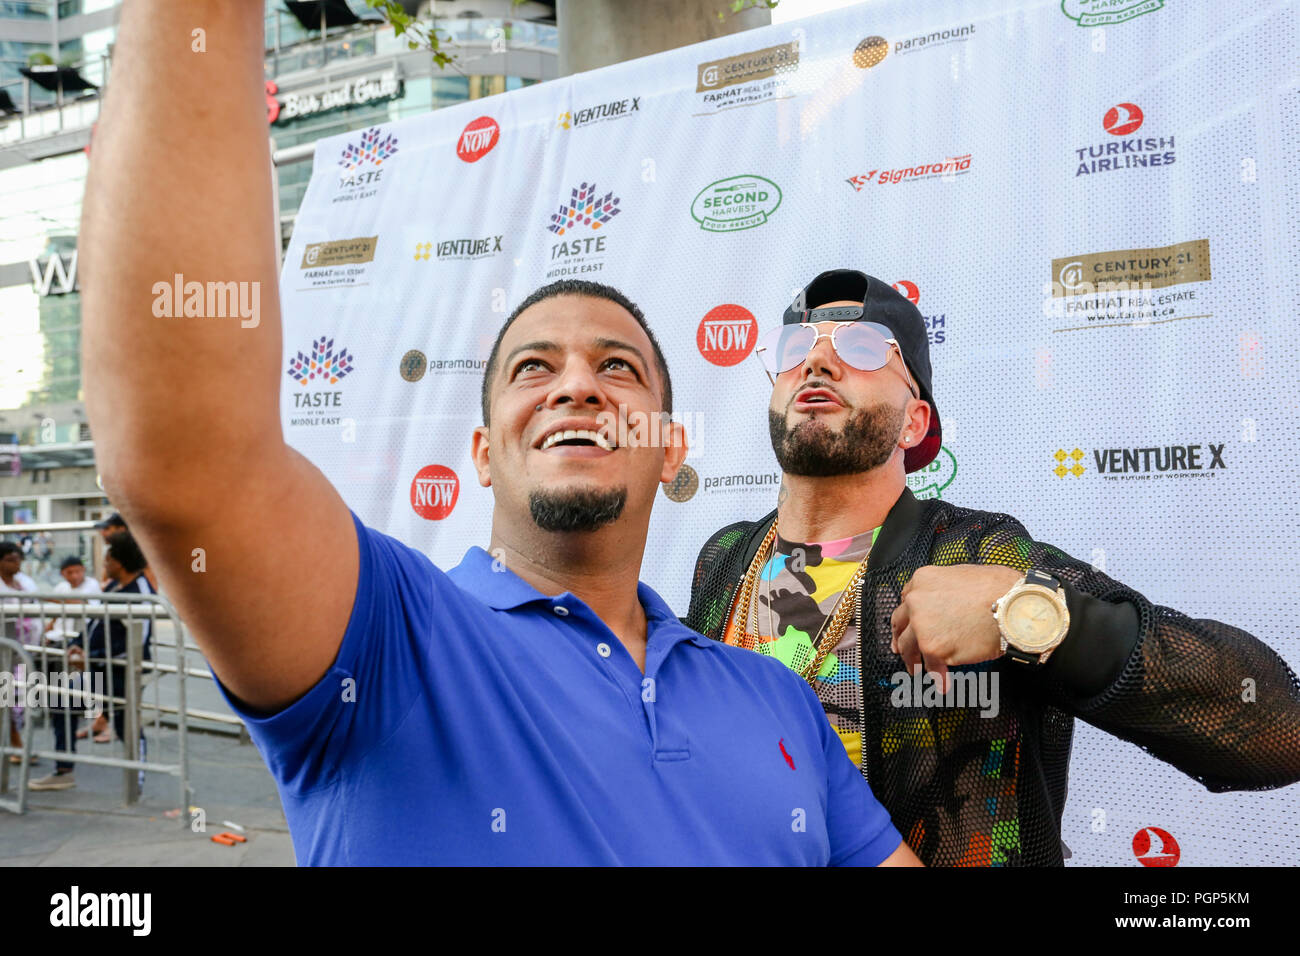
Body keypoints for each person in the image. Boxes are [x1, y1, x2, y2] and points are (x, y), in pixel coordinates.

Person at [75, 2, 920, 866]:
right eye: (532, 369)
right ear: (483, 454)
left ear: (673, 449)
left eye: (619, 368)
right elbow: (184, 459)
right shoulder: (387, 635)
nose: (579, 386)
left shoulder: (776, 700)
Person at [685, 269, 1300, 866]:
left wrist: (1032, 615)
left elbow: (1276, 728)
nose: (817, 363)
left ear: (914, 422)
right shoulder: (725, 559)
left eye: (865, 347)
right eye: (796, 347)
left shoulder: (974, 549)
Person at [29, 532, 154, 791]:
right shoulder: (112, 587)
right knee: (60, 700)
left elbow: (137, 640)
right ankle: (64, 771)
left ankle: (137, 781)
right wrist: (79, 644)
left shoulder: (140, 590)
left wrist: (92, 656)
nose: (105, 563)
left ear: (119, 561)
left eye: (108, 558)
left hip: (122, 671)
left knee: (125, 724)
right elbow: (95, 622)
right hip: (98, 669)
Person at [0, 541, 39, 764]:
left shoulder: (24, 582)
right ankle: (16, 744)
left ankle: (16, 743)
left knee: (20, 697)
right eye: (10, 560)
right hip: (4, 647)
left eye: (18, 559)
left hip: (23, 649)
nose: (16, 564)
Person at [44, 556, 103, 644]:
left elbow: (82, 603)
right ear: (62, 573)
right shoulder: (61, 587)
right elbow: (55, 614)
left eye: (77, 571)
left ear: (83, 569)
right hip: (58, 635)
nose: (74, 576)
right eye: (69, 572)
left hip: (81, 636)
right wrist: (50, 626)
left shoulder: (92, 584)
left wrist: (56, 599)